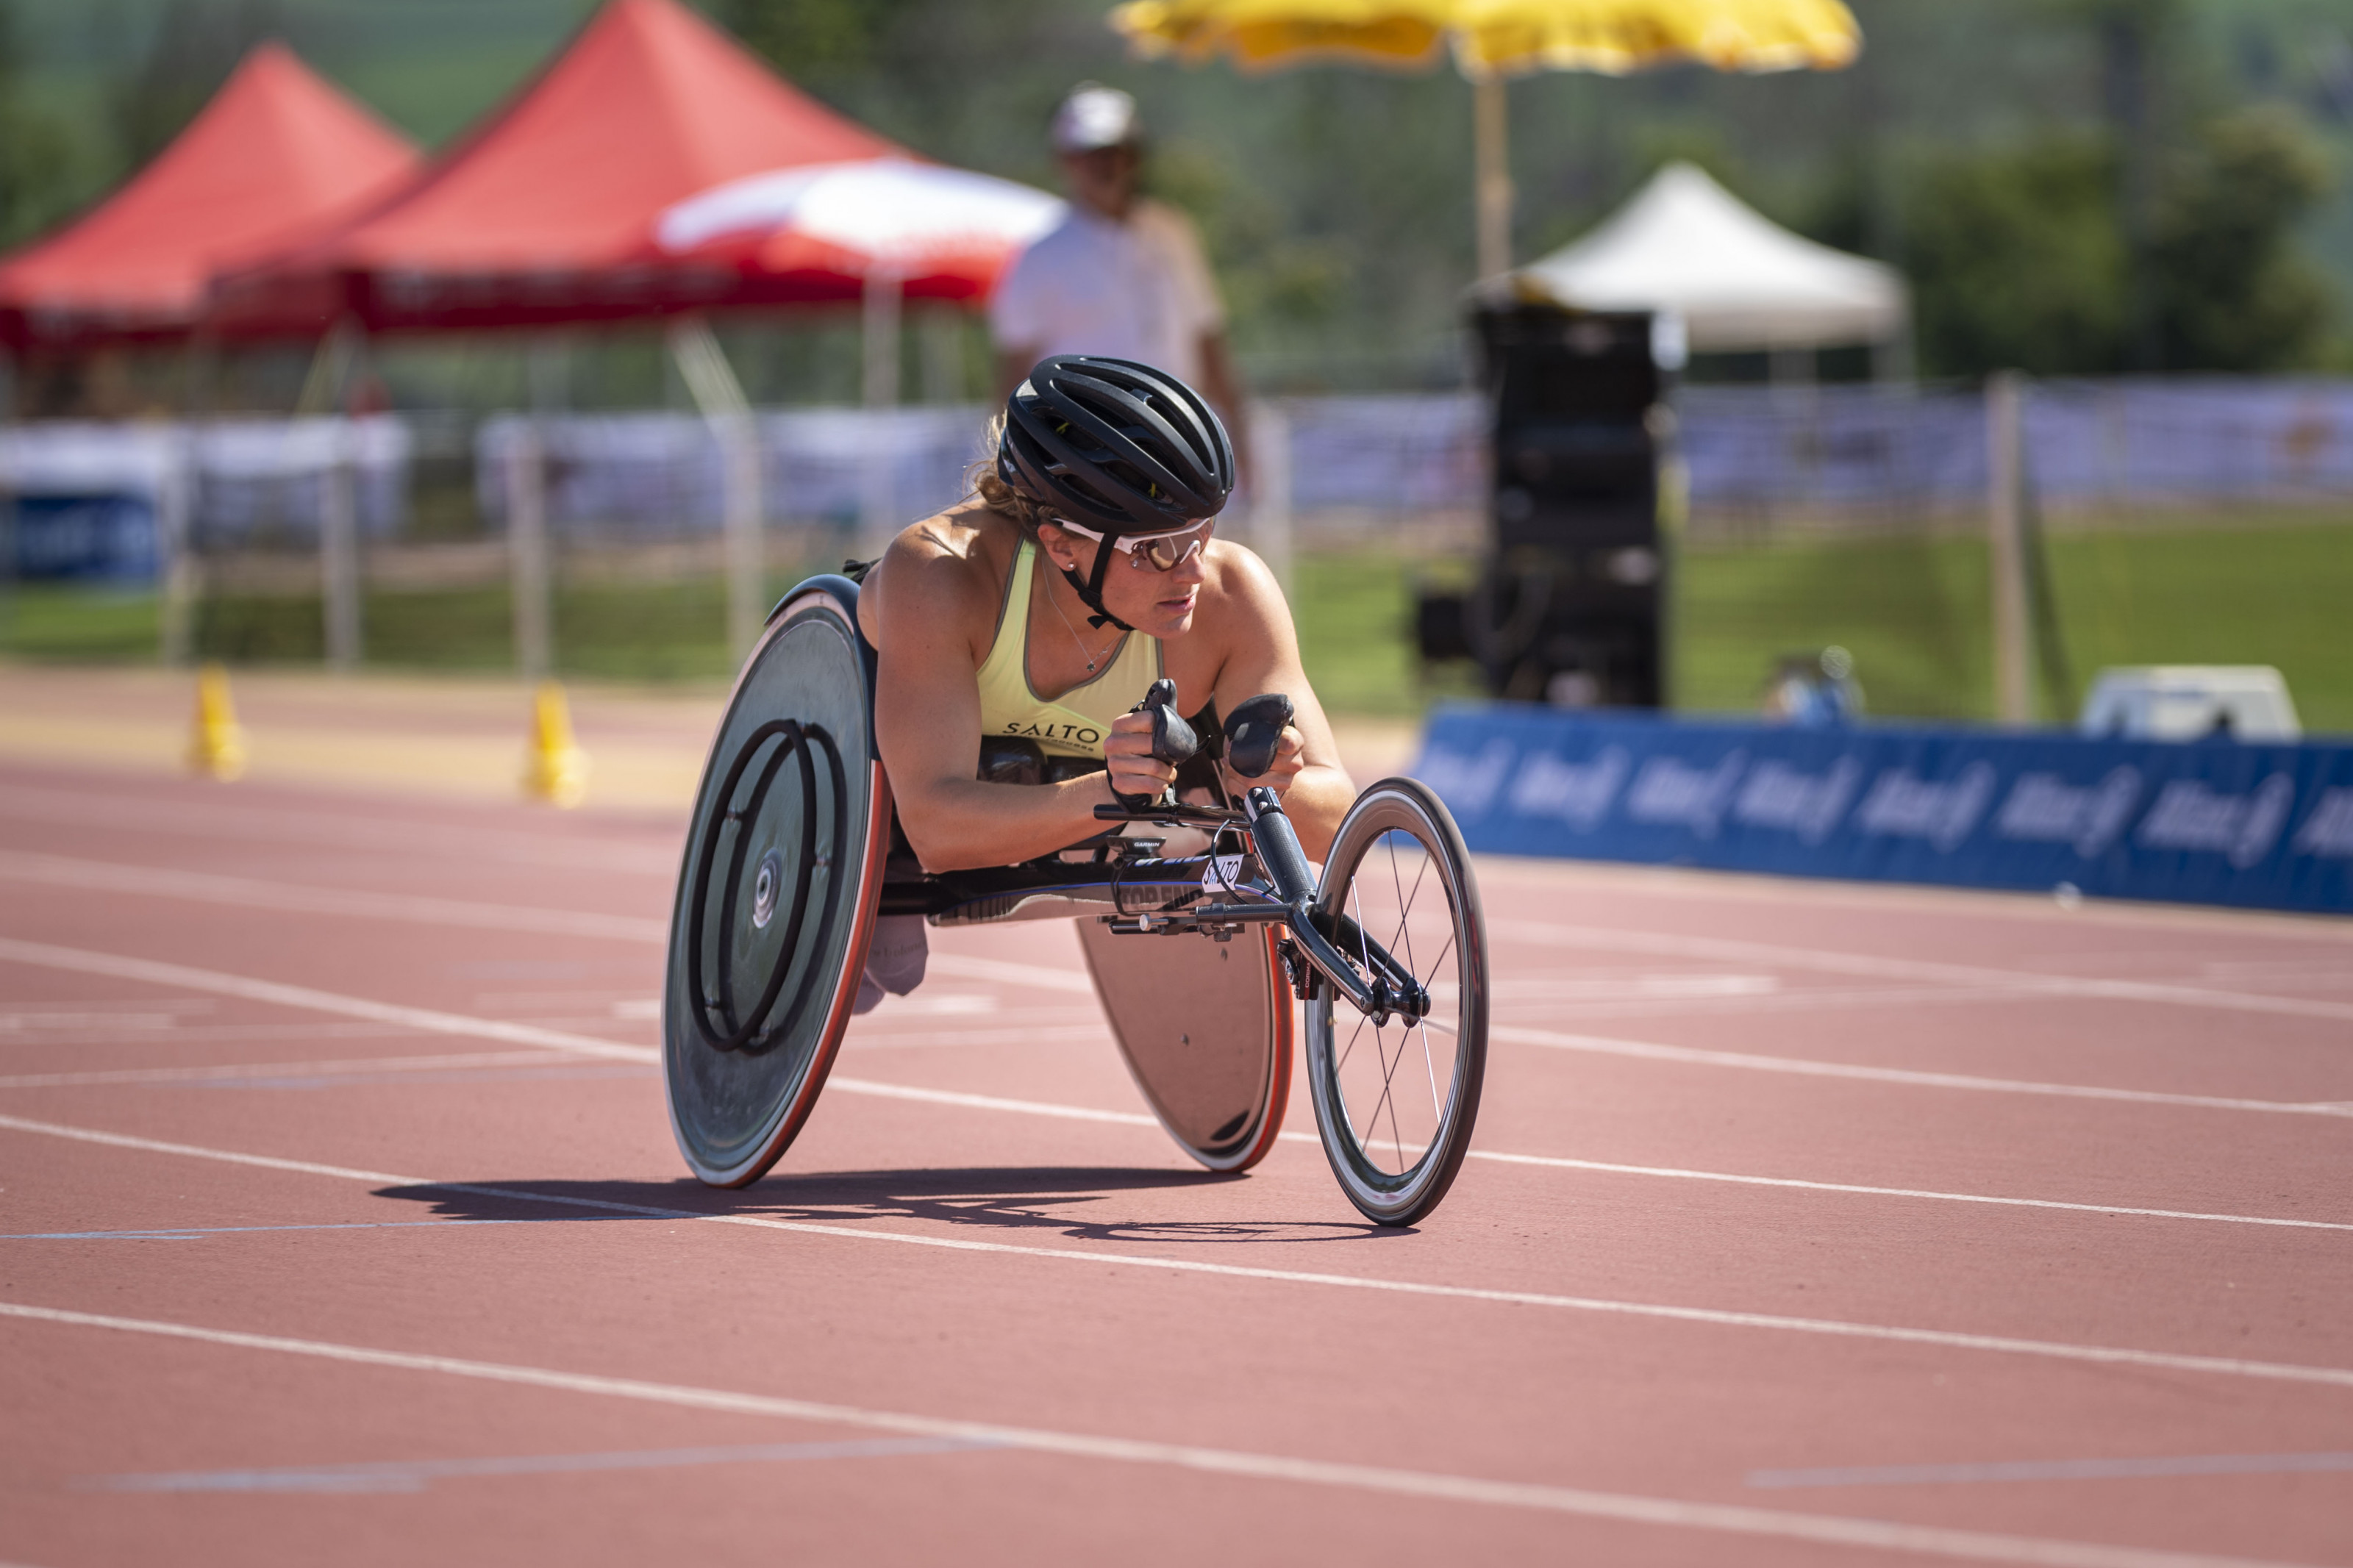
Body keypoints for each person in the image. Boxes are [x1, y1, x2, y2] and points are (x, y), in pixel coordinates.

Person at [852, 357, 1352, 1011]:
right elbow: (940, 835)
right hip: (885, 728)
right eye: (1157, 549)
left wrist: (1261, 786)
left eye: (1202, 531)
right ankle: (871, 854)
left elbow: (1338, 814)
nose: (1193, 570)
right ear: (1062, 546)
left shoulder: (1231, 598)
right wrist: (1111, 791)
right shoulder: (941, 574)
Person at [989, 83, 1251, 475]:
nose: (1105, 165)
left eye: (1115, 151)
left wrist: (1238, 437)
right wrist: (1010, 463)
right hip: (1087, 447)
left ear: (1135, 157)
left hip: (1178, 435)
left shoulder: (1173, 231)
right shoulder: (1041, 255)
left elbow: (1207, 337)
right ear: (1065, 161)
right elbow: (1014, 370)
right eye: (1091, 154)